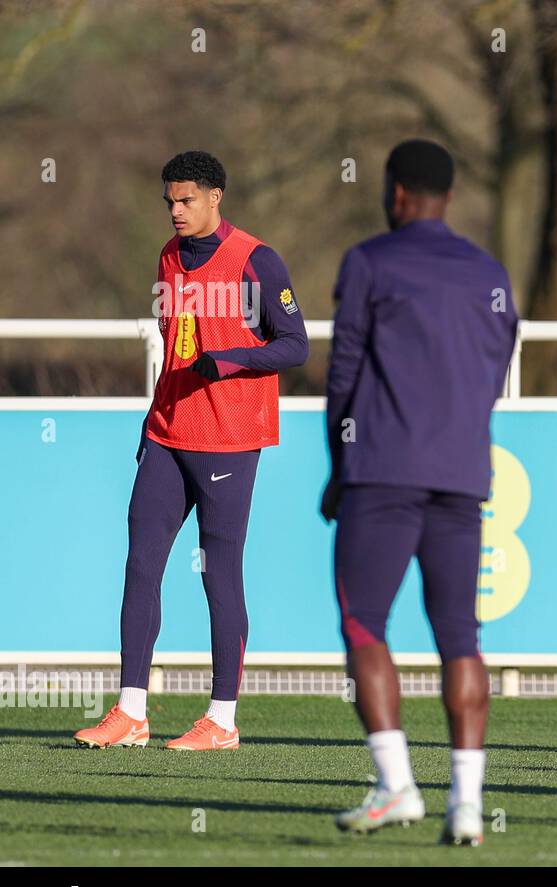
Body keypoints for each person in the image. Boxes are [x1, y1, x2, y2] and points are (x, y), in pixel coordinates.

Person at [74, 150, 308, 751]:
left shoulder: (257, 261)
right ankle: (131, 712)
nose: (175, 211)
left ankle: (222, 720)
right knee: (141, 563)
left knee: (218, 576)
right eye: (169, 201)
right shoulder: (169, 257)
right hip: (167, 435)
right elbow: (176, 344)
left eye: (186, 200)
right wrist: (155, 414)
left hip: (228, 440)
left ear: (214, 198)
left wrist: (231, 361)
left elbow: (295, 346)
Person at [324, 140, 517, 846]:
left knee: (364, 624)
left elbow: (343, 376)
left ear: (398, 193)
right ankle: (467, 803)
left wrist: (337, 467)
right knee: (459, 635)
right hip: (462, 474)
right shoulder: (489, 272)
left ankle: (397, 785)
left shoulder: (370, 260)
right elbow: (498, 358)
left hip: (383, 469)